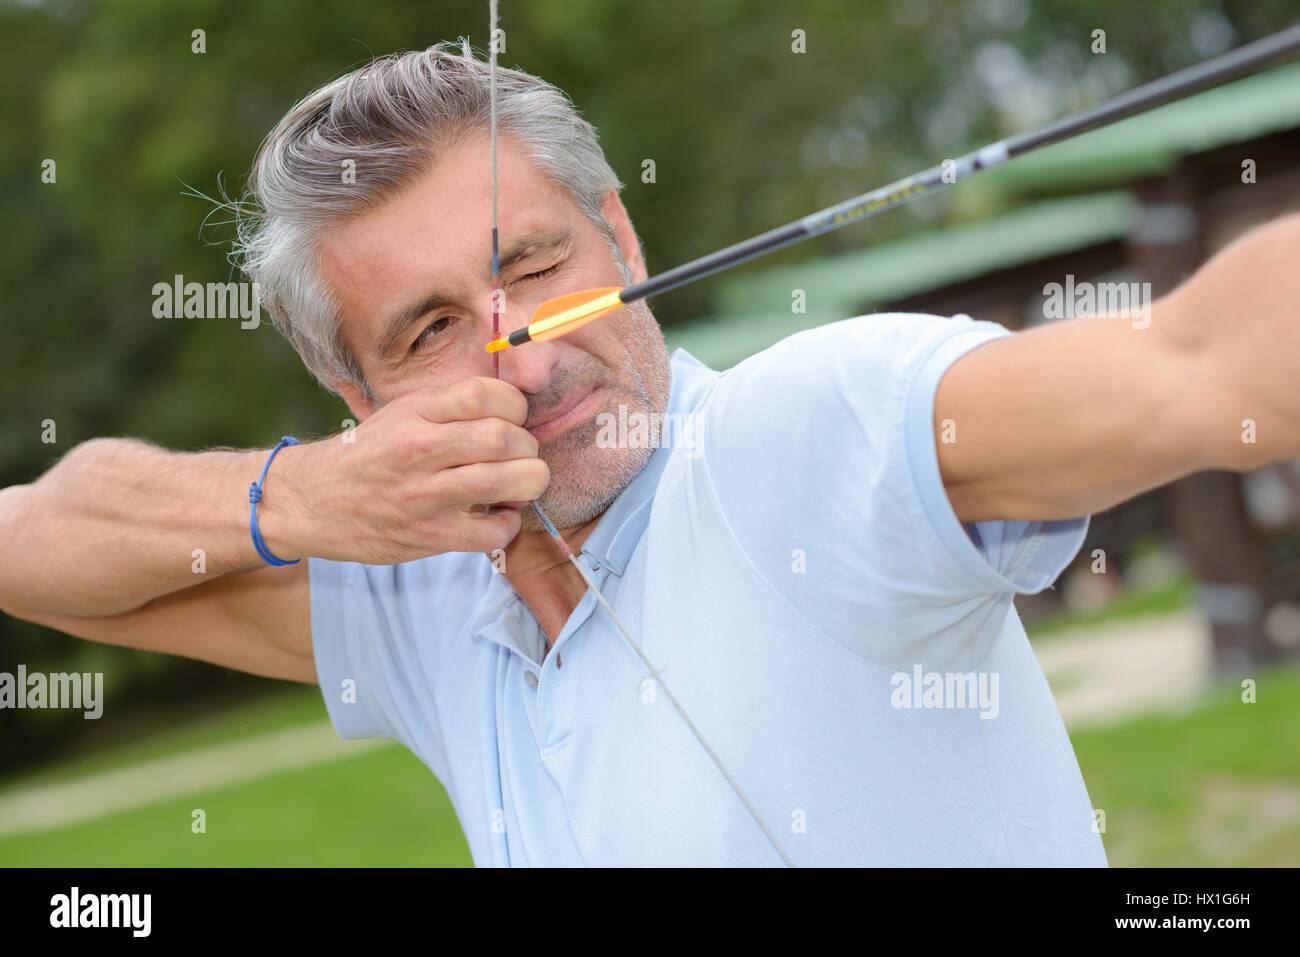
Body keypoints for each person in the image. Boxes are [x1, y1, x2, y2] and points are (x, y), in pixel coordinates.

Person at [2, 42, 1298, 866]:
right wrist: (300, 494)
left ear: (620, 236)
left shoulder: (804, 437)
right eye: (433, 327)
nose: (519, 354)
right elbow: (32, 544)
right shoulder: (417, 585)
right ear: (359, 394)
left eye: (533, 263)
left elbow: (1202, 363)